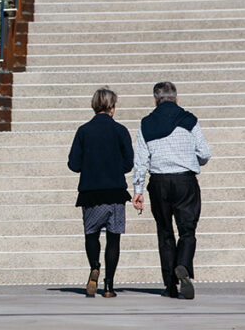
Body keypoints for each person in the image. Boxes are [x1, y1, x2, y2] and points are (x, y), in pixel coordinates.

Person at [131, 81, 211, 300]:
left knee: (165, 233)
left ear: (155, 100)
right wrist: (188, 159)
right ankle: (183, 265)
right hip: (185, 181)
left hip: (159, 183)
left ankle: (169, 287)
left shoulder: (146, 123)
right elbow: (205, 153)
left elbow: (140, 161)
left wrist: (137, 190)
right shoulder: (189, 119)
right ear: (177, 99)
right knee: (187, 231)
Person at [67, 87, 134, 298]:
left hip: (91, 193)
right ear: (112, 106)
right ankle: (109, 286)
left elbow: (73, 164)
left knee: (92, 234)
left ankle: (94, 266)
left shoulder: (84, 131)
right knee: (113, 240)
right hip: (115, 192)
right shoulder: (121, 130)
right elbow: (128, 164)